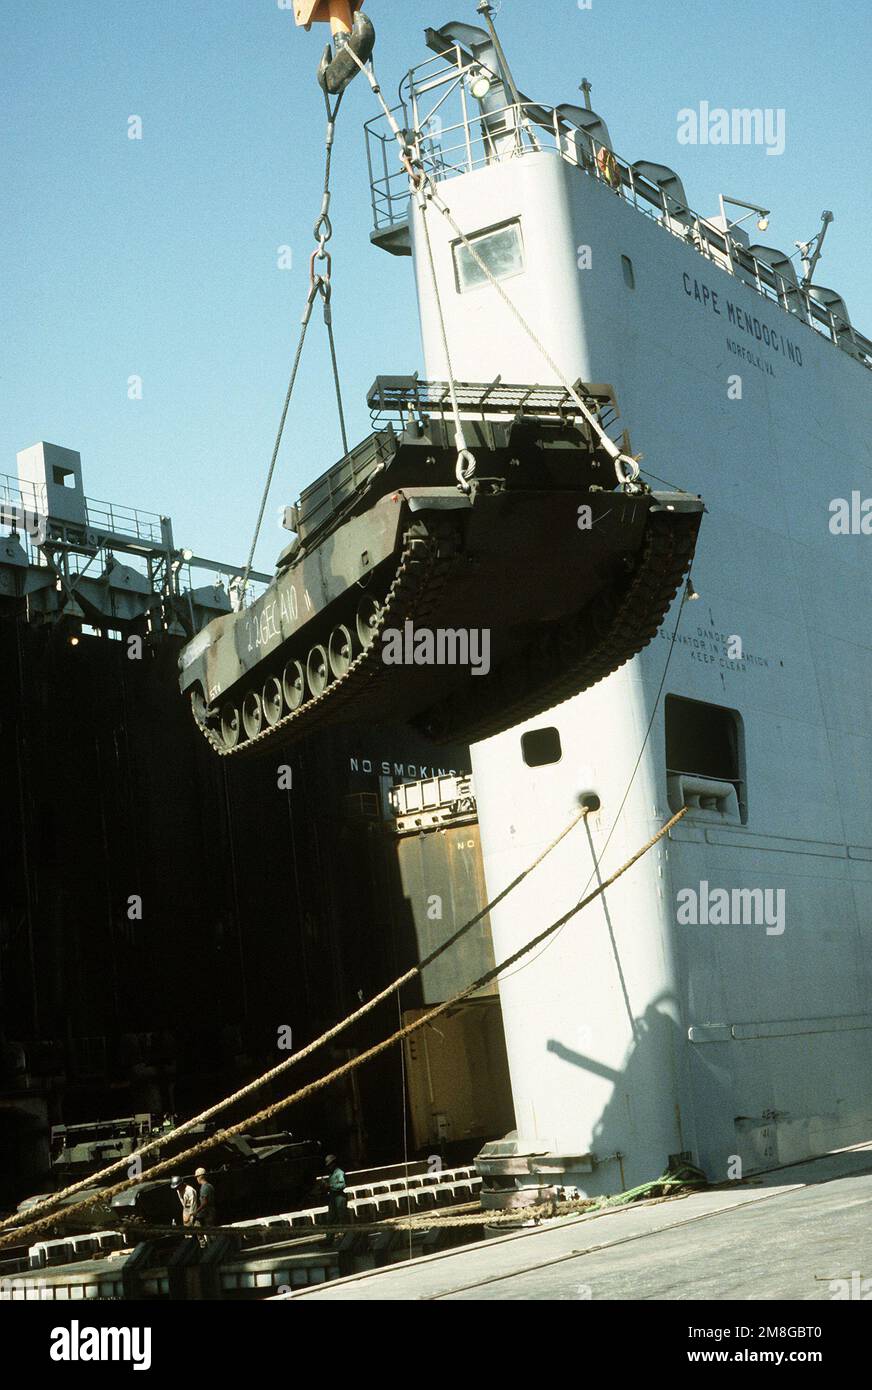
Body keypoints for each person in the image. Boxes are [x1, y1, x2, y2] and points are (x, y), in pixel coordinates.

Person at [194, 1166, 216, 1246]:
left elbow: (204, 1202)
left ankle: (210, 1247)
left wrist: (196, 1212)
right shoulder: (209, 1185)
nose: (196, 1179)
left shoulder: (204, 1188)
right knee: (211, 1231)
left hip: (207, 1213)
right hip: (211, 1211)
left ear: (200, 1177)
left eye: (197, 1177)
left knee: (208, 1231)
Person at [324, 1154, 347, 1228]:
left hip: (339, 1197)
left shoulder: (339, 1172)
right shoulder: (331, 1174)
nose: (329, 1167)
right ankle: (330, 1237)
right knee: (331, 1217)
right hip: (332, 1197)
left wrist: (331, 1186)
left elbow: (342, 1185)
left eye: (330, 1164)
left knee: (342, 1217)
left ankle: (345, 1234)